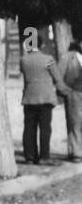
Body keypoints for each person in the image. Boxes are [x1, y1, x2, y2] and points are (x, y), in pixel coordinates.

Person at [19, 34, 70, 164]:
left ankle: (30, 156)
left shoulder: (24, 60)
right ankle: (44, 157)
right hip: (45, 98)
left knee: (29, 128)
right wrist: (66, 92)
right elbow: (57, 78)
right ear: (41, 45)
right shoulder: (49, 59)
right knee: (45, 128)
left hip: (29, 98)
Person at [63, 41, 82, 162]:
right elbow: (60, 75)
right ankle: (76, 152)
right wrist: (67, 91)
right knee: (74, 122)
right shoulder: (68, 57)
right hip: (74, 93)